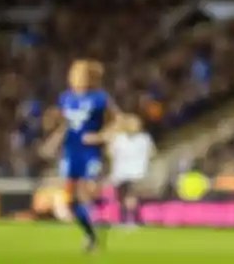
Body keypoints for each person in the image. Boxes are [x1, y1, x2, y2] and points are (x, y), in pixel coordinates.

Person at [42, 59, 116, 253]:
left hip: (90, 152)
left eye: (80, 75)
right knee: (70, 200)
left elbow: (117, 122)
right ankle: (91, 234)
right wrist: (53, 138)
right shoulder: (66, 98)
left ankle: (101, 219)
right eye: (74, 75)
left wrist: (100, 136)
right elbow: (64, 125)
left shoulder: (100, 98)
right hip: (70, 151)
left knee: (87, 191)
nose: (76, 78)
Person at [108, 113, 155, 229]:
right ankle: (130, 219)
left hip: (135, 172)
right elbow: (110, 153)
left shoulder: (143, 139)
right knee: (123, 197)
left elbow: (152, 152)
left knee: (130, 196)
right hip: (121, 173)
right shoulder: (119, 138)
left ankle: (130, 219)